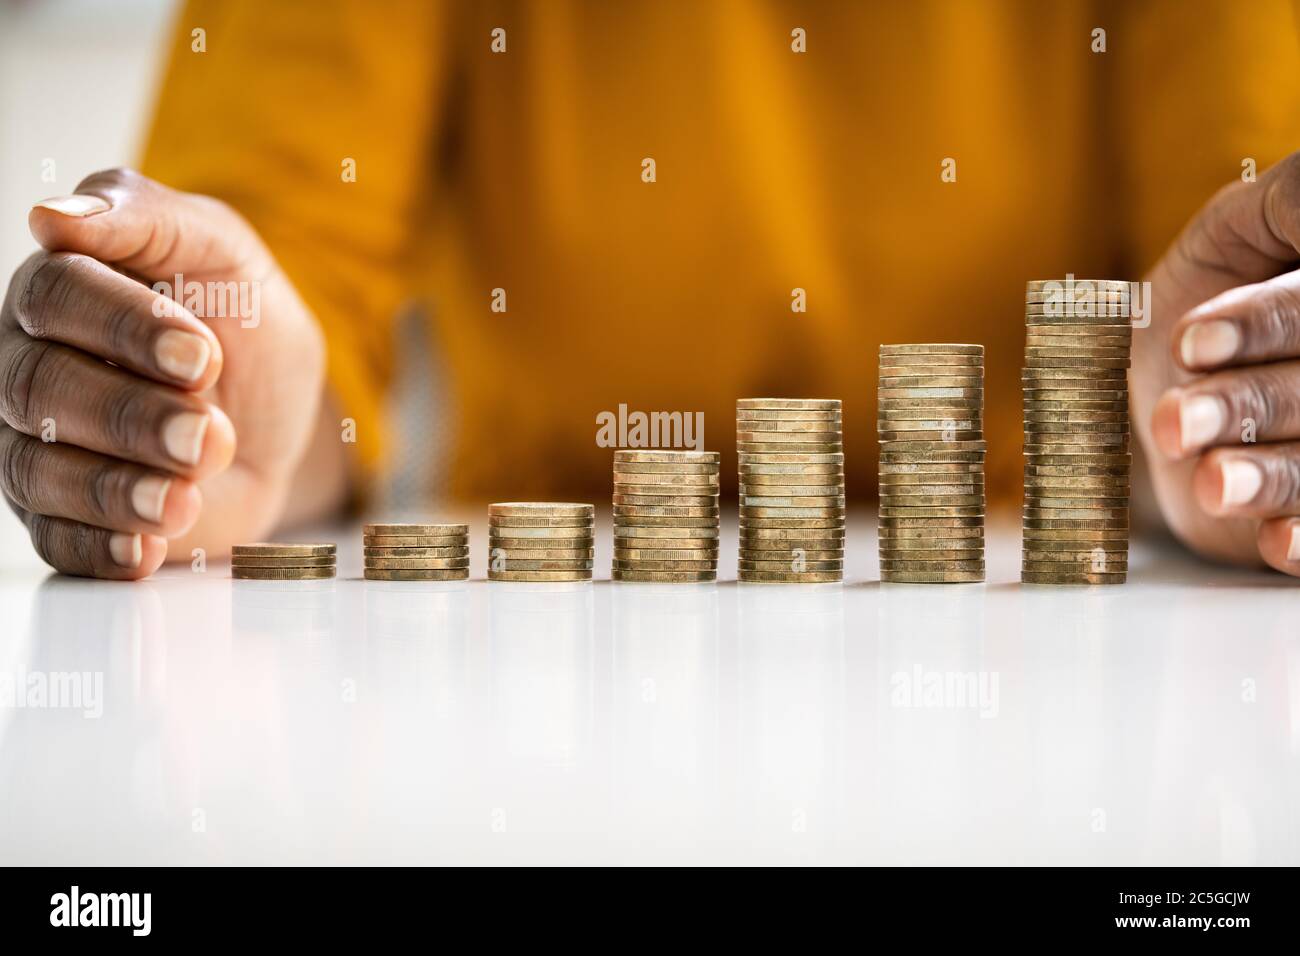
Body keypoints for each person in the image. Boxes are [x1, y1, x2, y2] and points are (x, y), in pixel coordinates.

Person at [2, 0, 1300, 579]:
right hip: (568, 672)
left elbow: (1243, 253)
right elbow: (287, 284)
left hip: (1065, 614)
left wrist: (1246, 403)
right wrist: (228, 408)